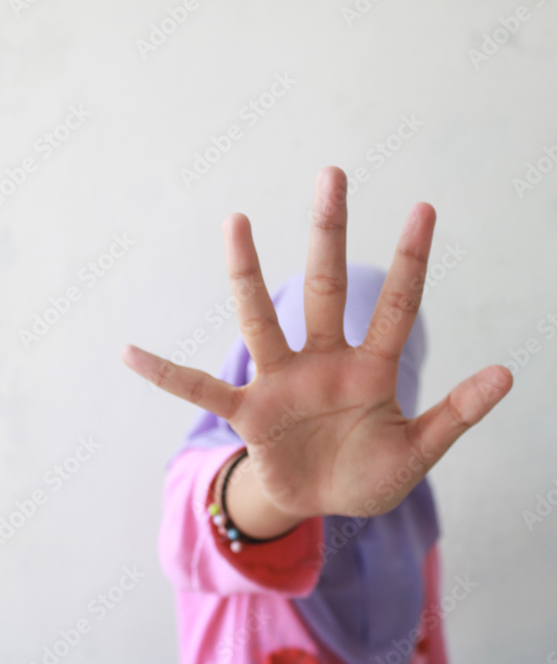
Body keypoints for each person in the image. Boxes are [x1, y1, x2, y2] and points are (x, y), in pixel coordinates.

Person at [121, 166, 513, 663]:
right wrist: (278, 495)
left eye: (384, 365)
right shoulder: (208, 474)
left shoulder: (407, 510)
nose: (339, 393)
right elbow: (199, 532)